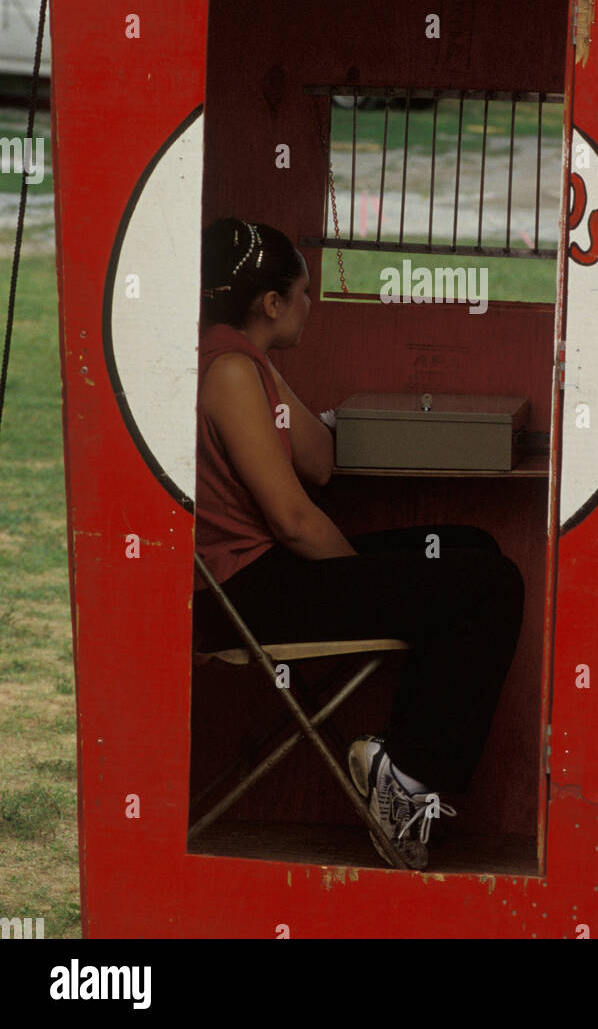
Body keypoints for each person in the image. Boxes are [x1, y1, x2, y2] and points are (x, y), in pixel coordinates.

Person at [193, 217, 524, 869]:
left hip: (270, 574)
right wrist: (374, 591)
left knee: (471, 546)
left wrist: (269, 363)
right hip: (241, 593)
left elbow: (320, 464)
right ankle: (406, 776)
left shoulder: (243, 362)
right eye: (304, 294)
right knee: (489, 586)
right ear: (271, 303)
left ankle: (400, 767)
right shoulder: (228, 371)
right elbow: (292, 518)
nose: (311, 307)